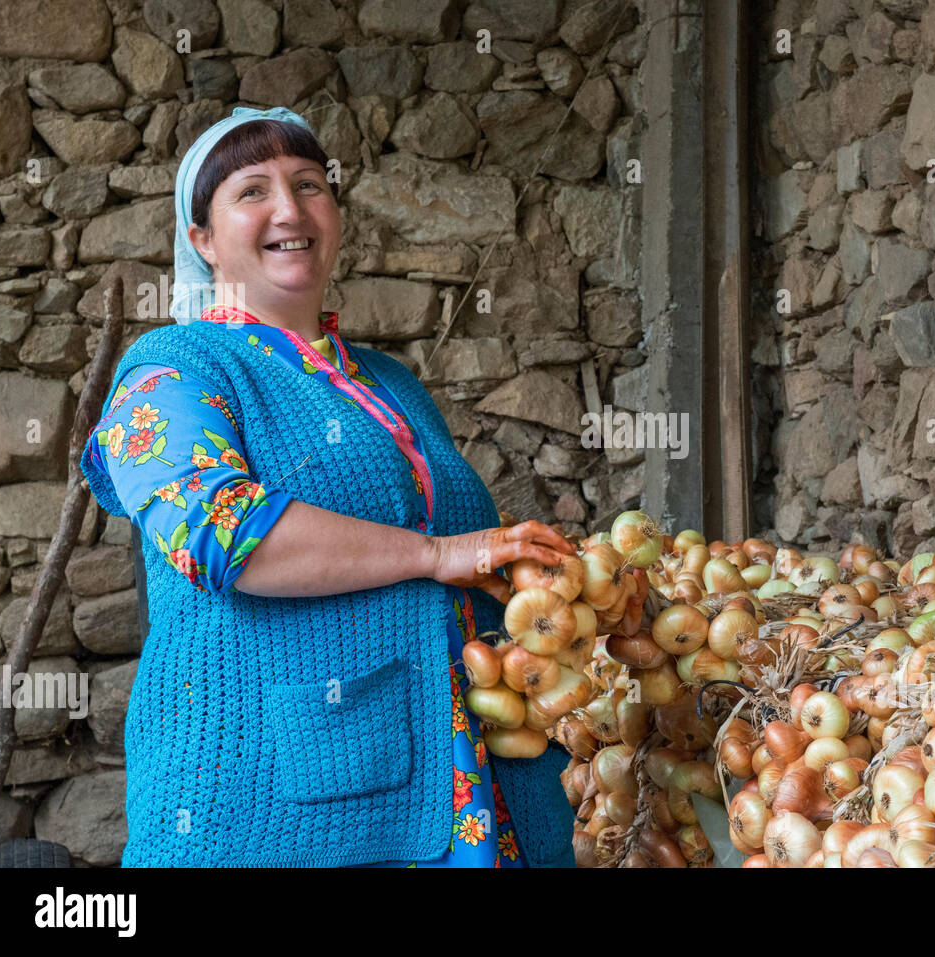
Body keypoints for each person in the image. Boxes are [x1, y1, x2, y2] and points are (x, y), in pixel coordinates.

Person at [80, 106, 578, 867]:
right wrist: (436, 554)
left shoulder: (389, 382)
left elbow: (448, 558)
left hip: (469, 780)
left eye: (309, 184)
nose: (289, 209)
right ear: (202, 238)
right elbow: (222, 533)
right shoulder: (172, 368)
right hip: (272, 796)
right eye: (252, 191)